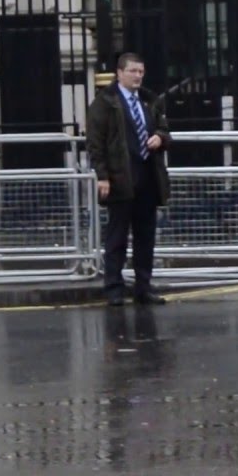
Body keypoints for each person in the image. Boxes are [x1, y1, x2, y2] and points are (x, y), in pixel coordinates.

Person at [87, 53, 172, 306]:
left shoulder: (149, 101)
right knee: (117, 237)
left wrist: (160, 137)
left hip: (147, 178)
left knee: (146, 237)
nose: (138, 76)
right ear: (120, 73)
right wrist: (103, 176)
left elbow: (165, 130)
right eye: (133, 71)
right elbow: (95, 143)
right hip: (120, 178)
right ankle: (114, 288)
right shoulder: (105, 103)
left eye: (141, 72)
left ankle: (143, 287)